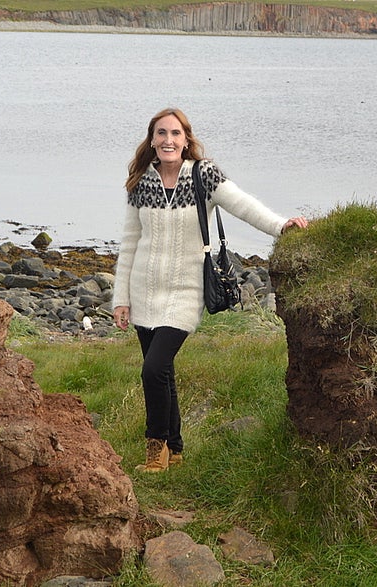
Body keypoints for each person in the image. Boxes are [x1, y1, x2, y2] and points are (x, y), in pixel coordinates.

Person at [111, 107, 308, 473]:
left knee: (152, 370)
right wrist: (120, 299)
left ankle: (155, 448)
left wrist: (282, 226)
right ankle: (176, 446)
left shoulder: (204, 176)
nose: (168, 140)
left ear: (186, 140)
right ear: (152, 141)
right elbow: (129, 242)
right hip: (143, 292)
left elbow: (244, 205)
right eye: (161, 134)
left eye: (175, 134)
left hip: (185, 293)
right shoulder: (141, 184)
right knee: (162, 371)